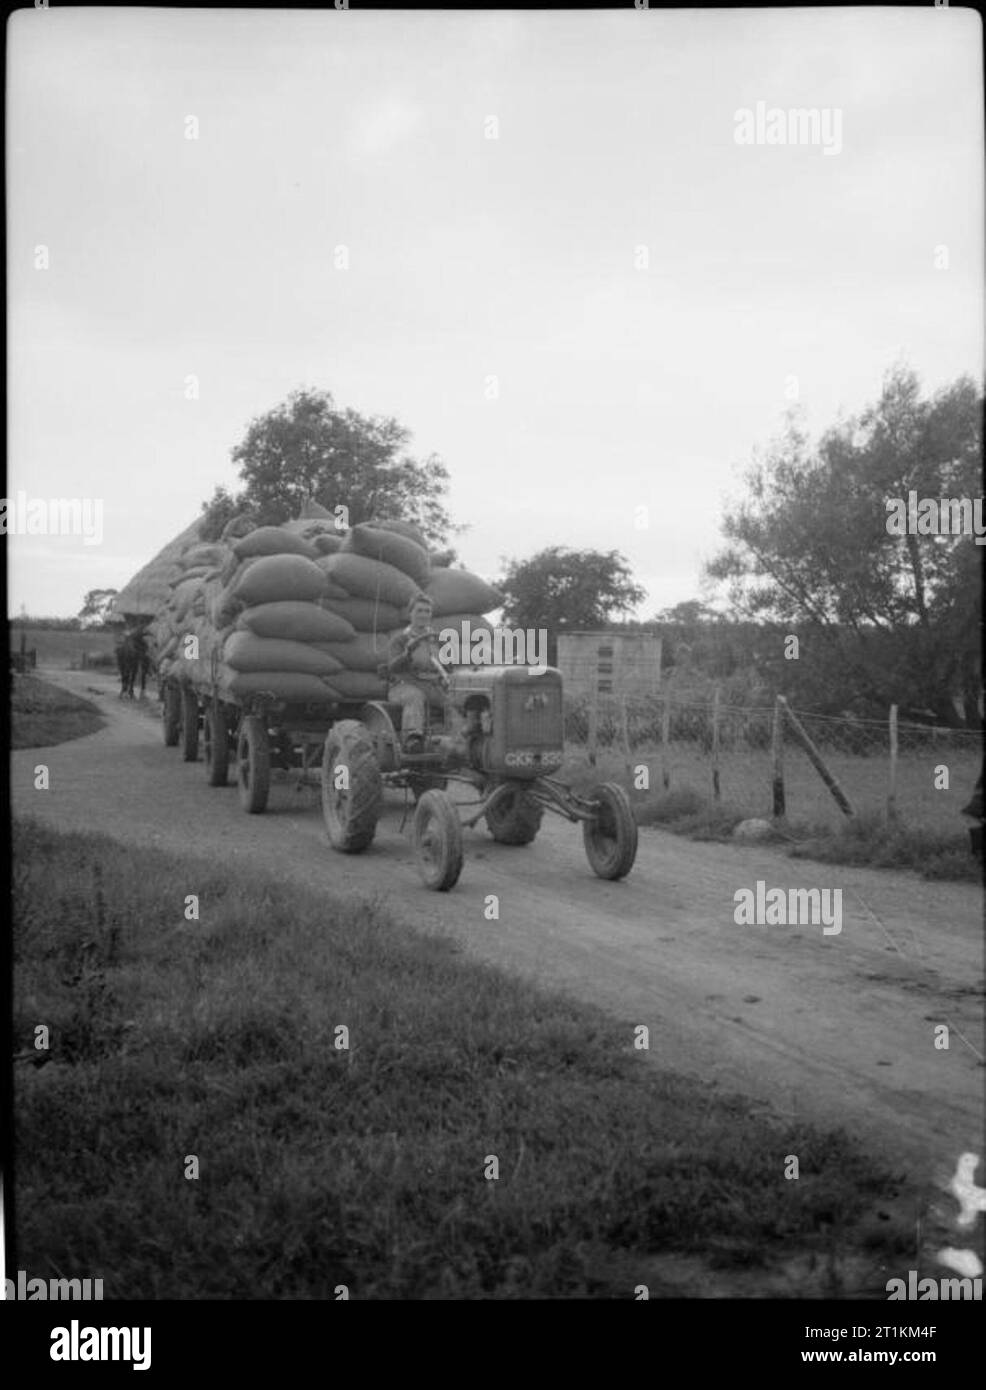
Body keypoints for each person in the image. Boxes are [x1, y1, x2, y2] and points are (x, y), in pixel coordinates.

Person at [382, 594, 450, 752]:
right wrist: (407, 655)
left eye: (427, 611)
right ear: (410, 613)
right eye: (419, 610)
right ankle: (412, 740)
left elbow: (448, 667)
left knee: (454, 701)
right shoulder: (399, 640)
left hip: (432, 686)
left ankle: (454, 742)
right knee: (415, 697)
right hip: (403, 687)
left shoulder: (438, 640)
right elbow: (392, 667)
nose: (423, 615)